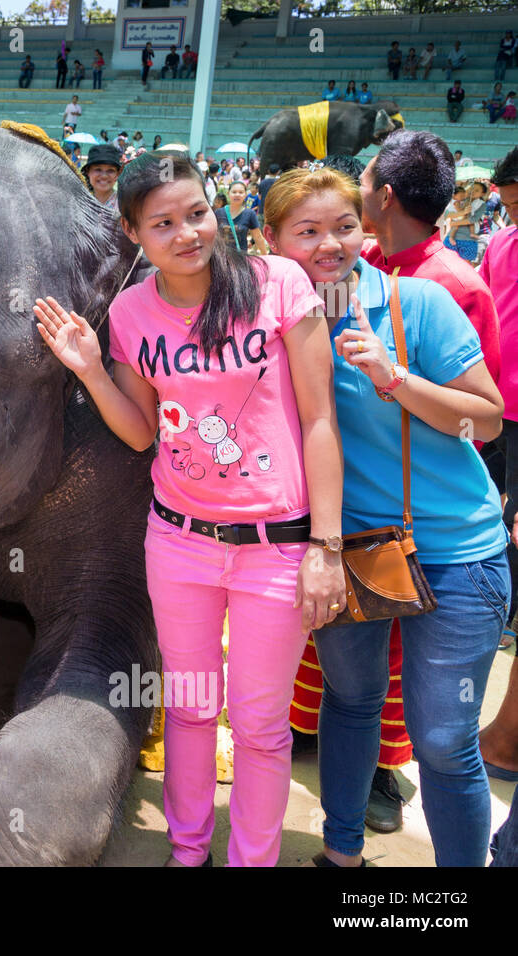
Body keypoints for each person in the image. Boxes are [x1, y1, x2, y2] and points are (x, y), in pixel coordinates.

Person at [34, 149, 344, 867]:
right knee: (192, 709)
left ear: (217, 212)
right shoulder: (132, 312)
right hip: (180, 544)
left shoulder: (278, 284)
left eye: (198, 214)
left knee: (262, 728)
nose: (187, 234)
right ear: (133, 233)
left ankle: (252, 860)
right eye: (164, 223)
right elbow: (141, 431)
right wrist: (87, 367)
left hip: (277, 547)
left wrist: (326, 549)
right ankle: (188, 850)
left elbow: (320, 419)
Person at [263, 160, 509, 869]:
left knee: (441, 737)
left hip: (457, 552)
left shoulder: (419, 305)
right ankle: (341, 856)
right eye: (306, 231)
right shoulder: (270, 326)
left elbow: (487, 422)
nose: (329, 245)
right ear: (271, 241)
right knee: (350, 701)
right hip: (347, 548)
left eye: (344, 226)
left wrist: (395, 378)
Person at [480, 148, 518, 641]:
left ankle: (508, 617)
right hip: (491, 408)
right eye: (510, 205)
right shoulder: (500, 243)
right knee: (489, 507)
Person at [217, 181, 266, 254]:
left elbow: (257, 237)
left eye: (241, 192)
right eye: (234, 192)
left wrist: (265, 255)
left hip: (241, 258)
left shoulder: (250, 214)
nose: (237, 195)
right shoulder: (219, 213)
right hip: (221, 257)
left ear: (245, 195)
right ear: (228, 193)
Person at [83, 143, 121, 211]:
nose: (104, 176)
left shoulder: (125, 206)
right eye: (98, 169)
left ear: (117, 174)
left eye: (110, 170)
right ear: (88, 172)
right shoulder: (80, 204)